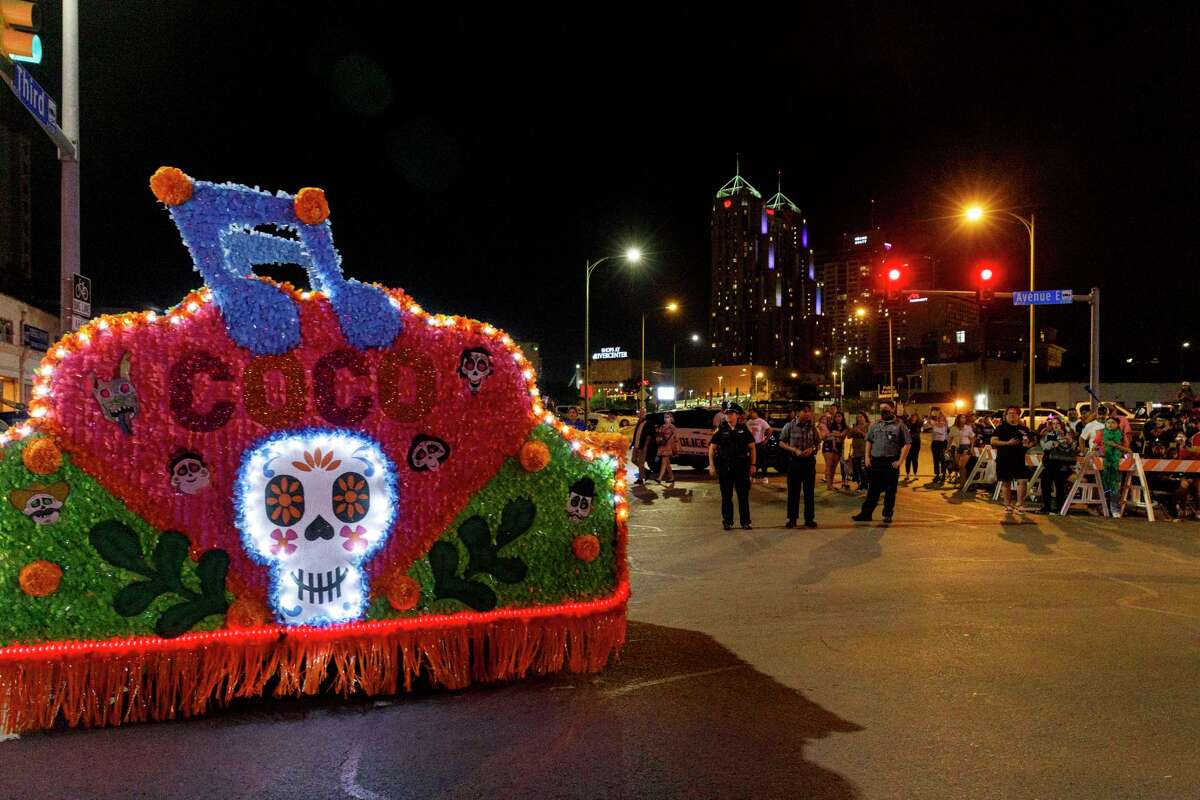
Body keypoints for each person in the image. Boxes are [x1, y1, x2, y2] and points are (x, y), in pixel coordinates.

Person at [851, 400, 911, 523]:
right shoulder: (875, 425)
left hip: (891, 461)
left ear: (892, 409)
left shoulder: (900, 425)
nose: (883, 411)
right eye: (881, 408)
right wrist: (867, 457)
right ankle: (866, 514)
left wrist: (900, 461)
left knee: (890, 490)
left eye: (886, 408)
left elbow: (907, 443)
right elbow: (869, 440)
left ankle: (887, 514)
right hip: (876, 461)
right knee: (873, 489)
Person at [708, 404, 756, 530]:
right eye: (727, 413)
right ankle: (727, 521)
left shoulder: (743, 429)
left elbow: (752, 448)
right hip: (725, 467)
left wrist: (753, 465)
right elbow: (712, 448)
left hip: (741, 467)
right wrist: (712, 465)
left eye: (731, 413)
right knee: (726, 496)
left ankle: (745, 521)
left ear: (737, 415)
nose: (728, 415)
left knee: (743, 496)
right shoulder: (721, 429)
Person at [778, 403, 820, 528]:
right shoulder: (789, 426)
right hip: (794, 462)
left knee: (809, 492)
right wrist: (793, 449)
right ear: (798, 413)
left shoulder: (812, 427)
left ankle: (809, 519)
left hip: (809, 462)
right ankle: (792, 519)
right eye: (805, 411)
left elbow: (817, 444)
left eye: (809, 411)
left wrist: (812, 449)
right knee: (793, 492)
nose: (808, 414)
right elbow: (781, 442)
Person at [992, 406, 1032, 515]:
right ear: (1006, 415)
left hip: (1020, 459)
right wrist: (1007, 443)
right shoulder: (1000, 428)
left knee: (1023, 480)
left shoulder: (1024, 429)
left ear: (1019, 415)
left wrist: (1029, 444)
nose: (1012, 415)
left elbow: (1031, 442)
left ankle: (1020, 504)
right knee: (1006, 482)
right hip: (1004, 458)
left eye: (1014, 413)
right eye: (1009, 413)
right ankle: (1007, 504)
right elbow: (993, 441)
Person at [1038, 416, 1076, 515]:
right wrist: (1053, 442)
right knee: (1045, 484)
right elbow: (1045, 447)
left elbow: (1070, 448)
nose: (1055, 425)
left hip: (1062, 466)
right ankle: (1047, 506)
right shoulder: (1049, 435)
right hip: (1049, 464)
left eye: (1057, 423)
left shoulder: (1068, 435)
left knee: (1060, 486)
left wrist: (1063, 441)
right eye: (1053, 423)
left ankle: (1059, 507)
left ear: (1062, 425)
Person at [1100, 416, 1132, 516]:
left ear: (1118, 425)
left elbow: (1127, 448)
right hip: (1103, 463)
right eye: (1108, 422)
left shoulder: (1121, 435)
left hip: (1117, 463)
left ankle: (1114, 510)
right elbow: (1099, 445)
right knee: (1103, 487)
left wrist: (1120, 448)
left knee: (1115, 488)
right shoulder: (1101, 433)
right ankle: (1103, 508)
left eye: (1113, 422)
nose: (1110, 424)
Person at [821, 411, 847, 491]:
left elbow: (842, 435)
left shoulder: (845, 427)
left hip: (838, 447)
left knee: (834, 466)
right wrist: (837, 434)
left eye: (839, 416)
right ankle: (829, 485)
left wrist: (834, 434)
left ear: (842, 417)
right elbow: (825, 436)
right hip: (828, 445)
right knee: (829, 465)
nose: (838, 418)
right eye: (836, 416)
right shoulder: (831, 425)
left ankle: (831, 484)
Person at [746, 408, 771, 479]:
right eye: (750, 412)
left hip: (759, 444)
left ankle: (765, 476)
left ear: (756, 413)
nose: (750, 414)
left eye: (752, 412)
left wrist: (766, 440)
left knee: (763, 460)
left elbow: (770, 430)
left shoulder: (761, 421)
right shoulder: (748, 422)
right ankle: (753, 475)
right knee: (752, 461)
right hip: (751, 445)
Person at [848, 411, 870, 492]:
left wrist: (860, 432)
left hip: (865, 450)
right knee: (858, 469)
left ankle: (865, 485)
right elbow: (849, 436)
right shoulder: (855, 426)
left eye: (861, 416)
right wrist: (852, 431)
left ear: (865, 417)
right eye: (858, 417)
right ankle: (861, 484)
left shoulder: (868, 425)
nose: (859, 418)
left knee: (864, 468)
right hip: (856, 451)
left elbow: (868, 436)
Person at [655, 412, 678, 487]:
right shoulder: (662, 426)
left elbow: (675, 438)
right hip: (662, 446)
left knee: (664, 461)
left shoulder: (672, 427)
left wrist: (676, 448)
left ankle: (659, 478)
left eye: (667, 417)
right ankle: (671, 477)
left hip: (668, 446)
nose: (666, 419)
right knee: (667, 463)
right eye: (665, 417)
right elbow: (659, 435)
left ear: (671, 418)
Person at [929, 409, 949, 485]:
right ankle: (937, 475)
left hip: (943, 443)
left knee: (943, 460)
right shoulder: (934, 424)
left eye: (942, 418)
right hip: (935, 443)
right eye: (939, 417)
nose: (940, 418)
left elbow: (946, 418)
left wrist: (941, 412)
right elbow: (928, 419)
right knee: (936, 460)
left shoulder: (945, 424)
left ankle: (943, 474)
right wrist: (931, 411)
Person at [630, 410, 650, 485]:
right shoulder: (639, 422)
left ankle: (641, 479)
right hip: (636, 445)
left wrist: (645, 446)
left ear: (645, 414)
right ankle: (646, 471)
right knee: (633, 460)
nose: (640, 414)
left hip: (642, 446)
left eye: (642, 413)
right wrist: (632, 444)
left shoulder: (647, 423)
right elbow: (636, 434)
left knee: (641, 463)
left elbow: (649, 436)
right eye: (639, 413)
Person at [904, 412, 923, 480]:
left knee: (915, 458)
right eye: (912, 416)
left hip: (916, 443)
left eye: (915, 416)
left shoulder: (919, 424)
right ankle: (907, 474)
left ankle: (915, 474)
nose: (914, 417)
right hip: (908, 443)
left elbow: (922, 421)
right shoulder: (908, 423)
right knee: (908, 458)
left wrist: (918, 416)